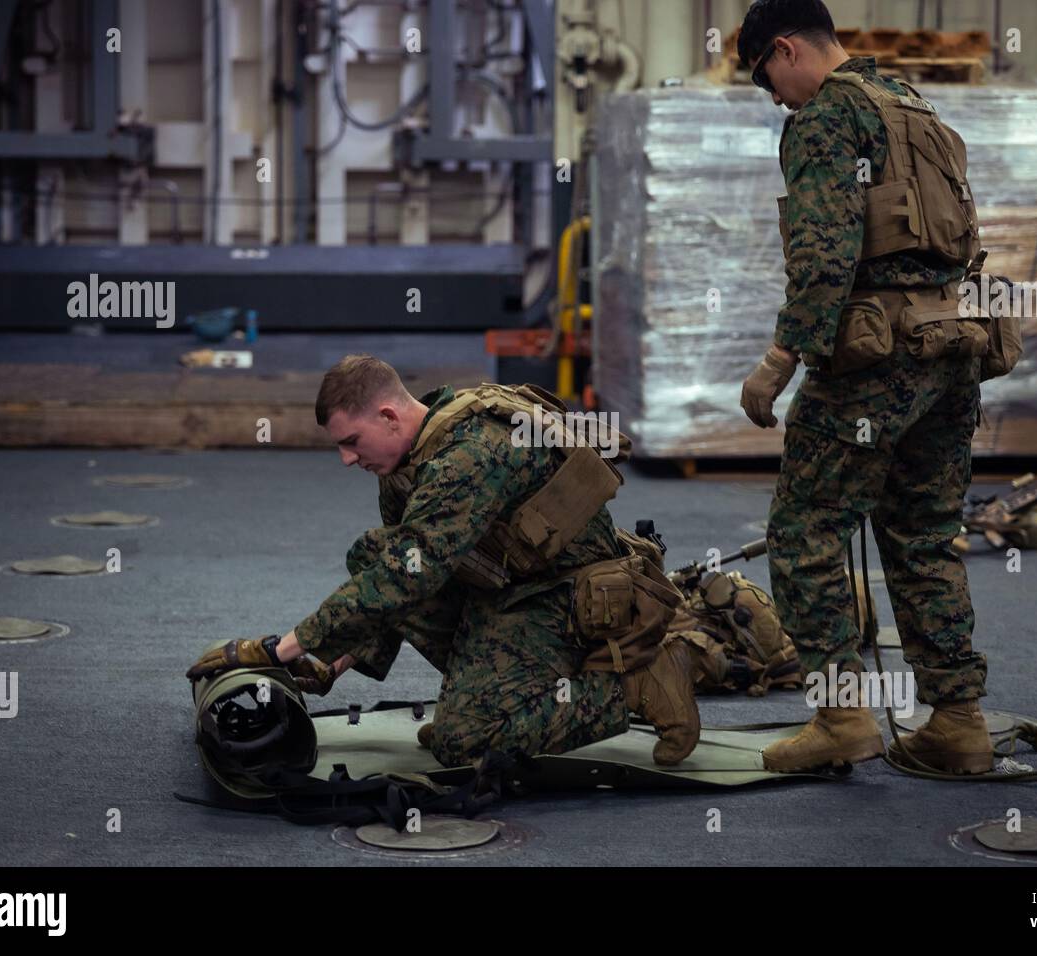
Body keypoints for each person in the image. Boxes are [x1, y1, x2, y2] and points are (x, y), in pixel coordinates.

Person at [187, 355, 699, 768]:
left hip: (564, 598)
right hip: (508, 587)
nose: (346, 459)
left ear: (388, 416)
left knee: (463, 743)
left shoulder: (467, 456)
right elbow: (393, 572)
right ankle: (478, 699)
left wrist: (279, 649)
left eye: (350, 442)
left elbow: (407, 576)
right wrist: (329, 661)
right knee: (375, 551)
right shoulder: (405, 461)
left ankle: (635, 684)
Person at [736, 0, 993, 774]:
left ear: (787, 50)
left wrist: (779, 363)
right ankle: (958, 721)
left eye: (766, 80)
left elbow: (824, 257)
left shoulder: (825, 119)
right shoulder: (913, 105)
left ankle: (842, 715)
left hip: (875, 362)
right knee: (924, 535)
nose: (775, 98)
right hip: (953, 348)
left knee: (805, 530)